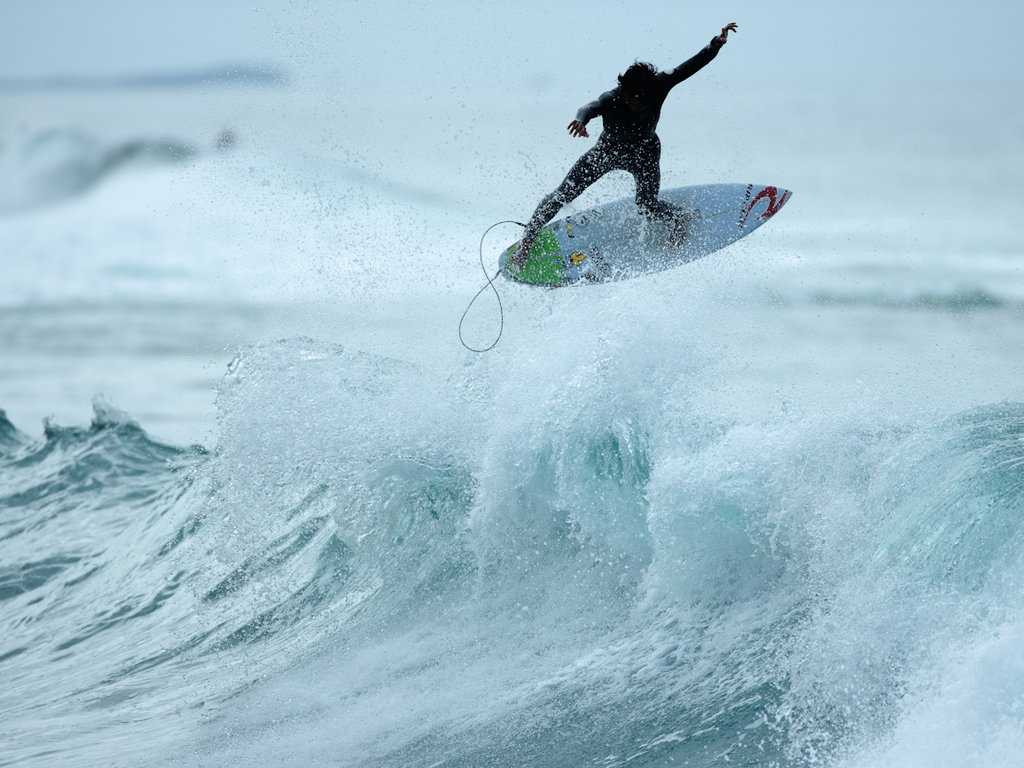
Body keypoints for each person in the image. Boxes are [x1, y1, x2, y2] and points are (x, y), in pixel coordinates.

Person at [511, 22, 739, 269]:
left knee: (646, 205)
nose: (637, 106)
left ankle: (678, 217)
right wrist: (580, 120)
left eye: (643, 102)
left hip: (645, 152)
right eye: (632, 100)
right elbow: (589, 107)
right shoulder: (612, 98)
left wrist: (715, 45)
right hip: (606, 152)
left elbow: (690, 66)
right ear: (624, 91)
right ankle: (527, 241)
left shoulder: (660, 84)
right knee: (561, 195)